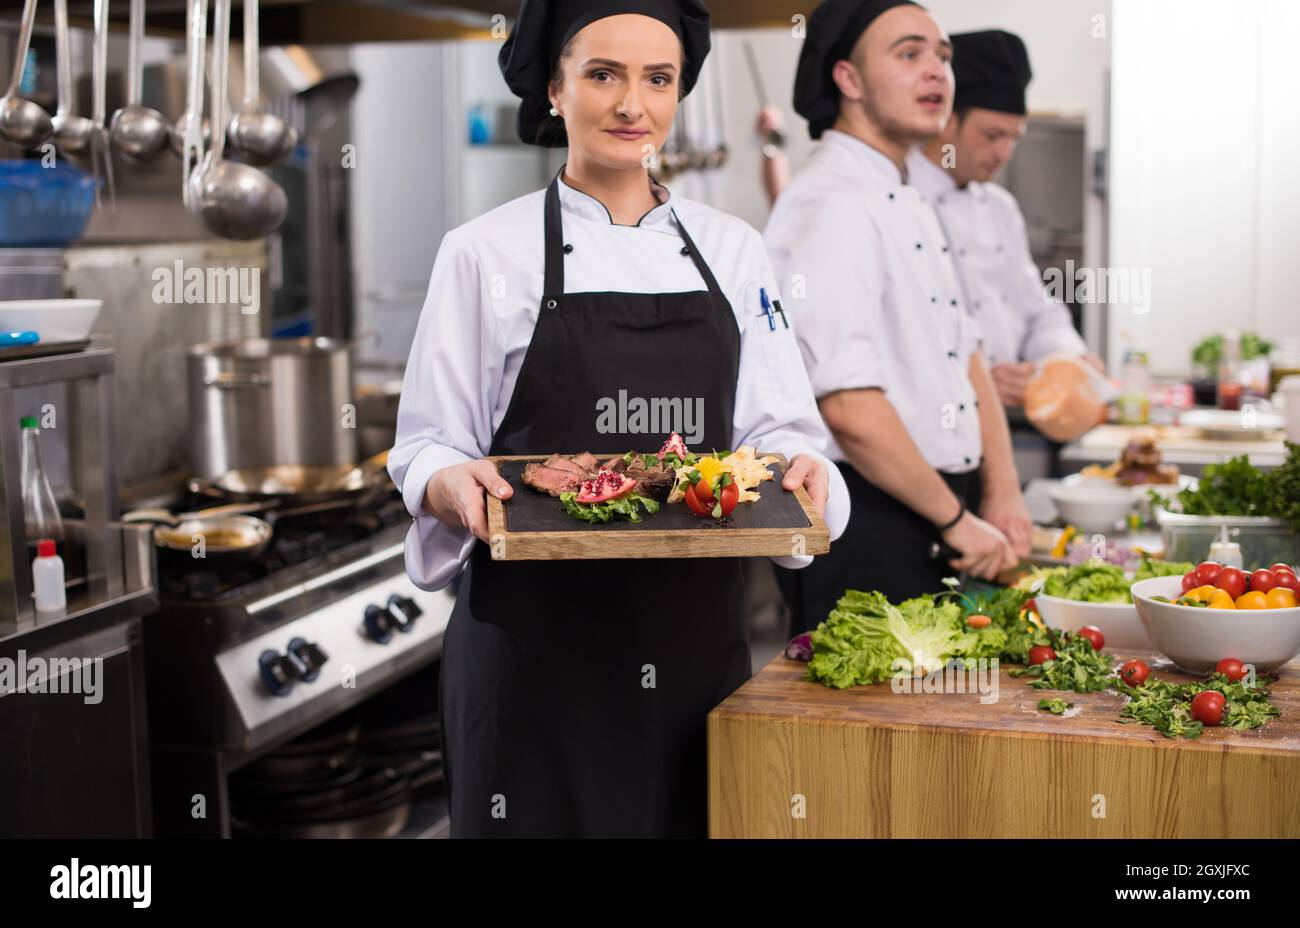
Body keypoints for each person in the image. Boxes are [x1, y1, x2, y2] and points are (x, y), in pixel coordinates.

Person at [388, 0, 848, 838]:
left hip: (690, 650)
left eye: (658, 79)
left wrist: (802, 470)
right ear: (556, 91)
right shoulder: (483, 250)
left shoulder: (733, 248)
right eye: (603, 74)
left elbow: (779, 432)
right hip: (531, 652)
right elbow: (425, 444)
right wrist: (448, 481)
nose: (632, 104)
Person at [764, 0, 1031, 633]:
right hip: (868, 519)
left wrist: (1002, 489)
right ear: (848, 80)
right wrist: (954, 518)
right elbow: (849, 408)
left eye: (942, 56)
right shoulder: (830, 204)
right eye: (909, 54)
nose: (937, 71)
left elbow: (965, 353)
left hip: (929, 511)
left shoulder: (904, 193)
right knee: (870, 732)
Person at [907, 30, 1101, 409]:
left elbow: (1036, 310)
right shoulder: (898, 198)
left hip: (1003, 423)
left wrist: (1066, 358)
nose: (1005, 152)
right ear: (947, 119)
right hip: (932, 424)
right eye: (993, 135)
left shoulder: (999, 207)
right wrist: (973, 380)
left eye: (1014, 137)